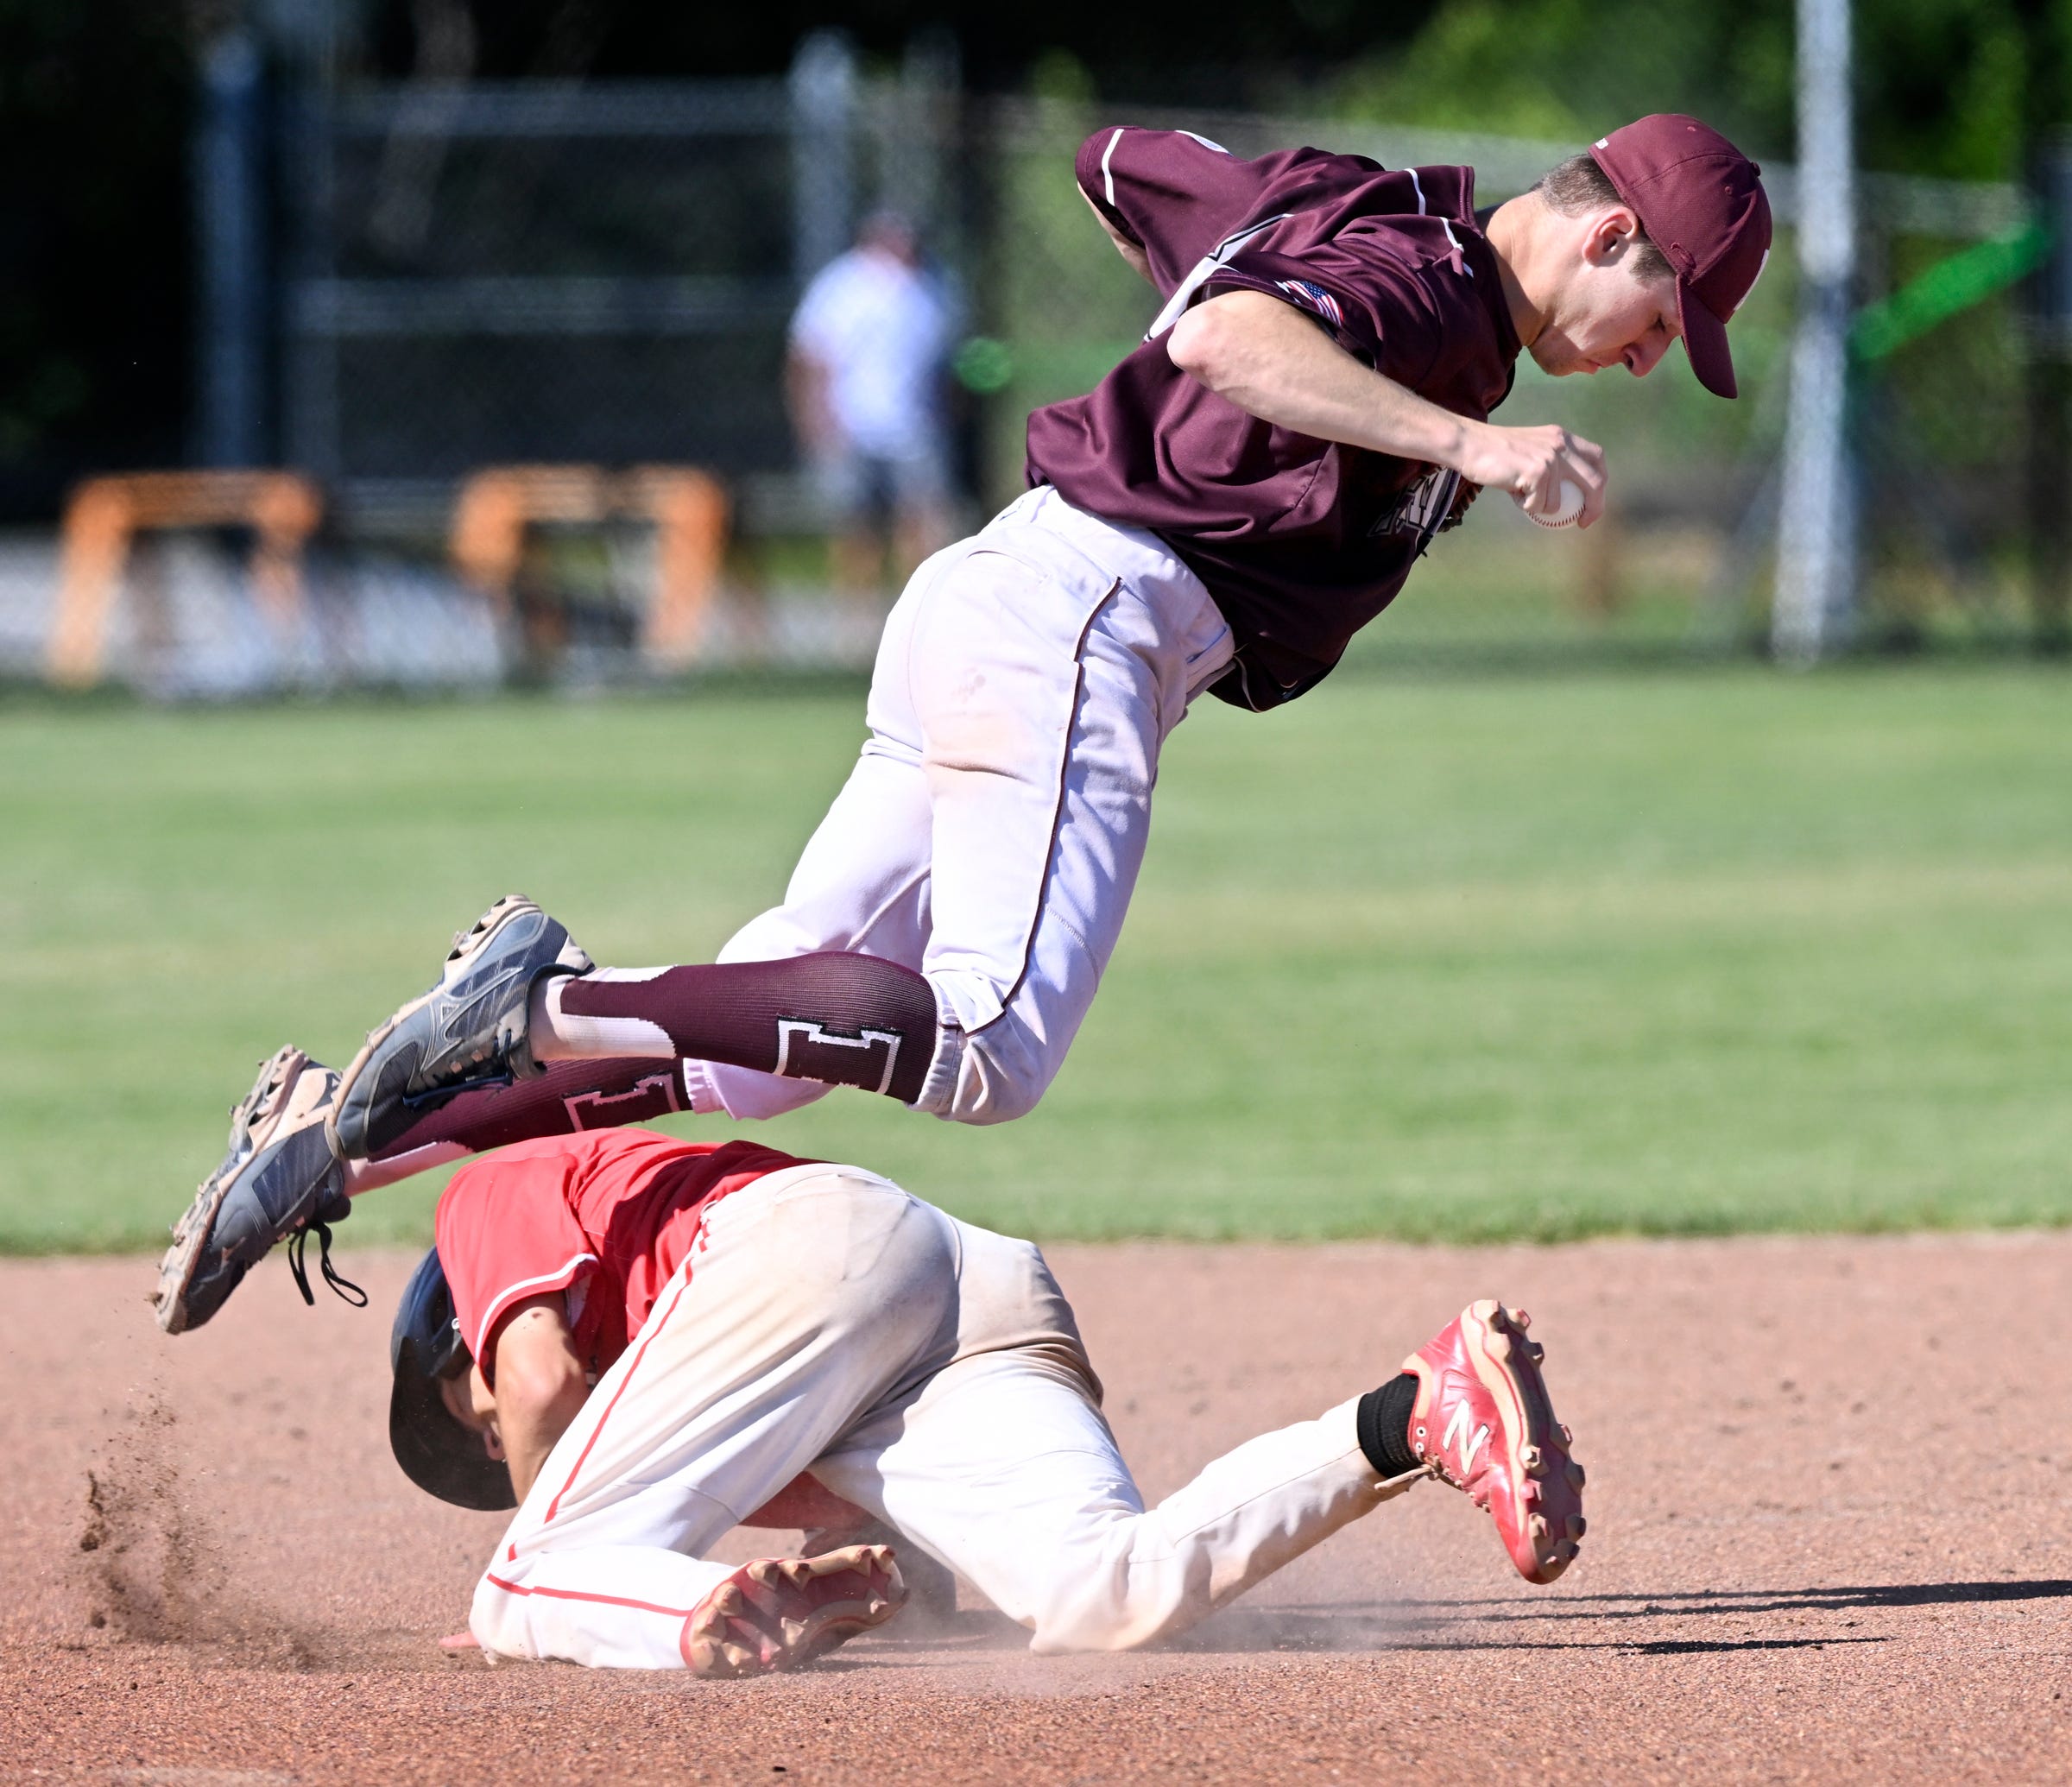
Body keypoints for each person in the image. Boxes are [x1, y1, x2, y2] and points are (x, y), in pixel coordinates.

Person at [154, 115, 1771, 1336]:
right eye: (1661, 314)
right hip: (1091, 620)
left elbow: (1118, 163)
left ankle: (337, 1142)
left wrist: (1232, 271)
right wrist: (1464, 447)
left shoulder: (1358, 198)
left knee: (756, 1065)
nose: (1644, 357)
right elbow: (1228, 338)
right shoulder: (1430, 292)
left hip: (1001, 595)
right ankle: (540, 999)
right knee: (989, 1047)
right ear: (1610, 228)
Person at [375, 1122, 1582, 1674]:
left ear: (455, 1327)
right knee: (1102, 1594)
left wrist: (539, 1565)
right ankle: (1409, 1415)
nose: (500, 1427)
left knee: (520, 1588)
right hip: (966, 1299)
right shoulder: (723, 1397)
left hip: (806, 1248)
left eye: (467, 1408)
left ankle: (642, 1607)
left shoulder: (483, 1205)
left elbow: (539, 1379)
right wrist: (860, 1584)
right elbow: (907, 1554)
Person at [786, 211, 963, 597]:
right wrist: (814, 418)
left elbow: (945, 361)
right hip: (852, 424)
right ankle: (859, 611)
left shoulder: (935, 285)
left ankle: (918, 602)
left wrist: (947, 412)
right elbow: (810, 357)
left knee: (923, 515)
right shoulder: (841, 285)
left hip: (917, 425)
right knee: (855, 523)